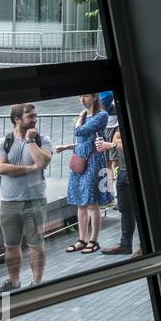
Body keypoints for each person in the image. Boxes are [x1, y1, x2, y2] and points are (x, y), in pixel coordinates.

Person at [0, 103, 53, 291]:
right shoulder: (3, 142)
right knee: (11, 245)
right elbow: (1, 168)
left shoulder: (43, 140)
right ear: (17, 119)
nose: (35, 119)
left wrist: (30, 142)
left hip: (35, 201)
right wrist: (28, 169)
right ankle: (14, 282)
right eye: (30, 116)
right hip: (9, 202)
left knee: (36, 244)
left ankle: (37, 283)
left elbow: (42, 162)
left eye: (36, 115)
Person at [57, 93, 113, 255]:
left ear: (94, 97)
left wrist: (81, 116)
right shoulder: (84, 116)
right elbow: (82, 142)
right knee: (80, 203)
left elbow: (80, 131)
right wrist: (67, 147)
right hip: (81, 159)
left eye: (86, 96)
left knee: (91, 202)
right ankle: (81, 239)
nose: (82, 100)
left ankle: (93, 240)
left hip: (93, 161)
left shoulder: (101, 115)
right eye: (80, 97)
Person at [99, 97, 138, 257]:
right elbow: (117, 139)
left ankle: (145, 246)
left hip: (133, 170)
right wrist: (117, 142)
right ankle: (125, 244)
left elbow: (131, 143)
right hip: (122, 170)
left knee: (139, 209)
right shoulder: (119, 126)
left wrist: (115, 144)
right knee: (124, 208)